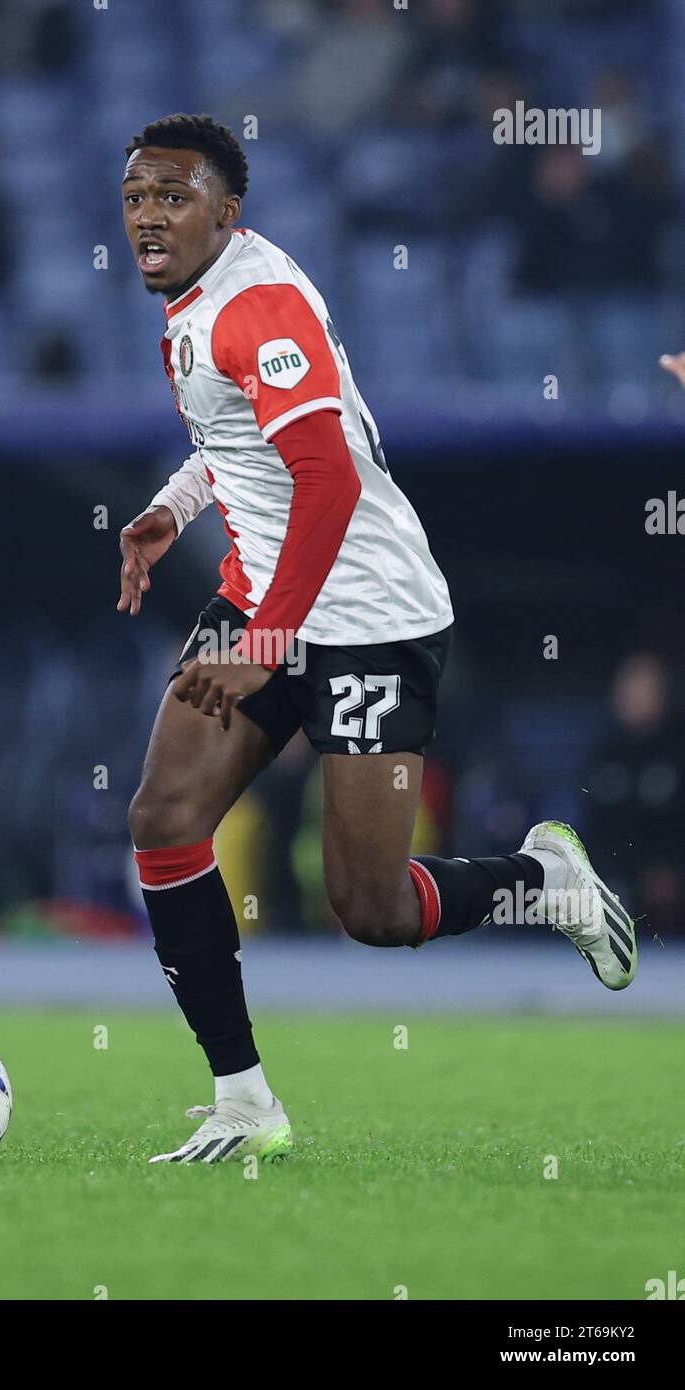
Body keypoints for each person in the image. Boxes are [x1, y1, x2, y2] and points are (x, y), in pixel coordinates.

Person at [117, 114, 637, 1165]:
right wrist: (176, 505)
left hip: (367, 620)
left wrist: (267, 639)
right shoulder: (192, 296)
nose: (147, 215)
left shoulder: (254, 304)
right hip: (265, 591)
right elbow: (238, 439)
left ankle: (542, 883)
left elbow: (326, 476)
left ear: (229, 209)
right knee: (164, 816)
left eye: (172, 195)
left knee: (373, 906)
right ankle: (243, 1101)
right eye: (134, 195)